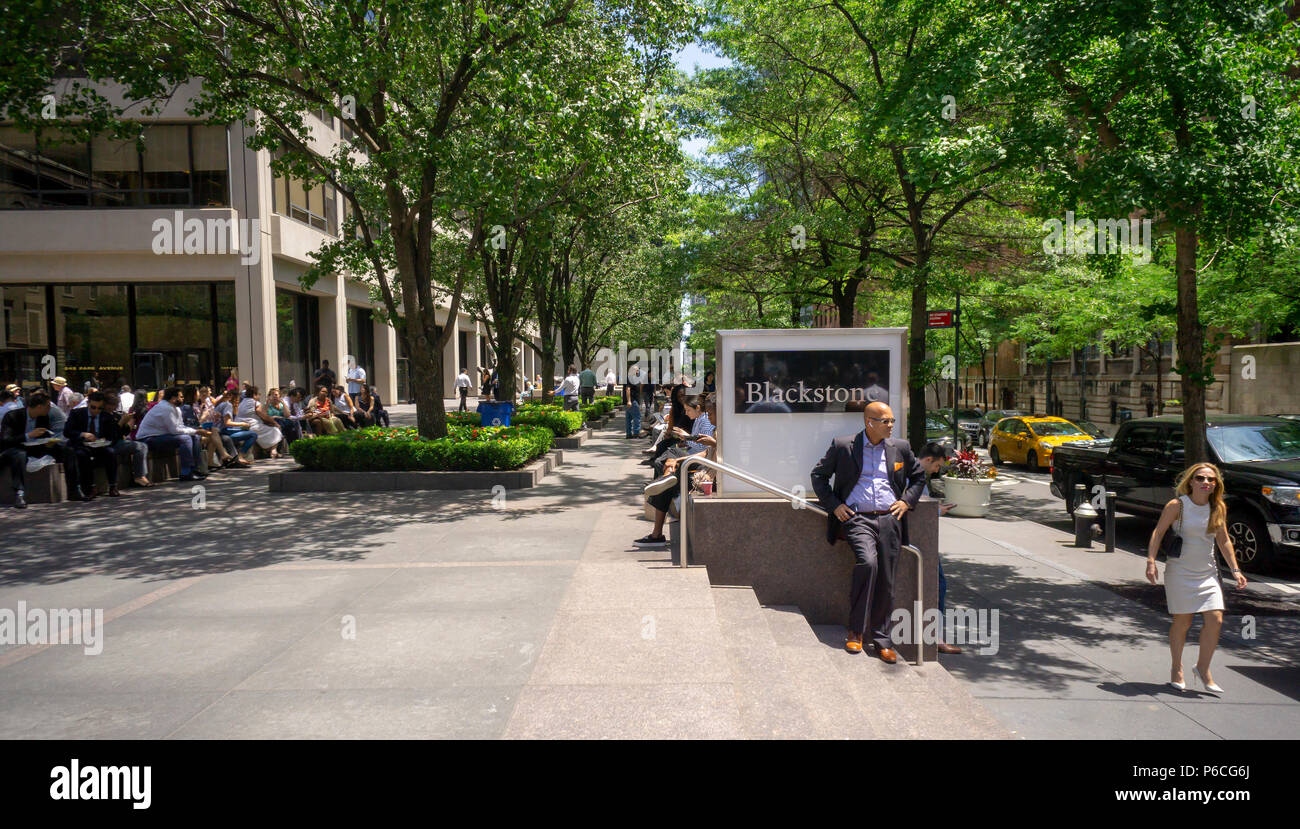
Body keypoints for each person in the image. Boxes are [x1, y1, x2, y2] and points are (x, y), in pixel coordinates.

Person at [810, 401, 925, 663]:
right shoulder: (843, 446)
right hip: (857, 518)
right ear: (869, 422)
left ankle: (882, 640)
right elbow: (818, 476)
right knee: (867, 563)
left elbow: (919, 478)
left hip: (889, 518)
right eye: (886, 421)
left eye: (892, 420)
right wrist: (835, 506)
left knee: (886, 576)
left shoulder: (901, 448)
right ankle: (856, 631)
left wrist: (906, 501)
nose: (891, 425)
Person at [1146, 463, 1248, 695]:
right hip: (1180, 571)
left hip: (1207, 573)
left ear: (1216, 485)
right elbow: (1159, 532)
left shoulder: (1217, 507)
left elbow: (1223, 540)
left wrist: (1236, 570)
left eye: (1211, 480)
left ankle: (1203, 668)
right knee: (1183, 622)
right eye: (1200, 478)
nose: (1205, 482)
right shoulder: (1177, 505)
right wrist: (1151, 561)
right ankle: (1176, 668)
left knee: (1216, 619)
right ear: (1191, 481)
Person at [635, 395, 715, 547]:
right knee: (667, 455)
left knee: (668, 464)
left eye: (711, 413)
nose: (709, 417)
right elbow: (705, 449)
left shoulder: (711, 426)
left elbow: (705, 451)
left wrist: (685, 445)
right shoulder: (708, 424)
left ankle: (657, 533)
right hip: (699, 459)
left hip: (704, 467)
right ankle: (666, 478)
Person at [1, 389, 82, 506]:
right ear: (39, 406)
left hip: (37, 446)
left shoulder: (43, 417)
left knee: (67, 451)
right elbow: (6, 440)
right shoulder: (12, 416)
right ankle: (19, 494)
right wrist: (28, 435)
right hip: (16, 448)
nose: (50, 408)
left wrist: (49, 442)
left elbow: (45, 434)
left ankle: (74, 489)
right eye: (48, 406)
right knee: (20, 455)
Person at [917, 442, 961, 654]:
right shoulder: (914, 476)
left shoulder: (909, 473)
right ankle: (935, 637)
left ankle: (934, 636)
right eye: (936, 467)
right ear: (928, 460)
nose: (936, 471)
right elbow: (915, 508)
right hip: (918, 539)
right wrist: (937, 511)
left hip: (918, 538)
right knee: (938, 584)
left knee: (936, 584)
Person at [133, 386, 210, 482]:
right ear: (173, 398)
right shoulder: (165, 408)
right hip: (148, 439)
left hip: (161, 435)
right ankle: (186, 472)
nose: (183, 399)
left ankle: (195, 469)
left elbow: (180, 426)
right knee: (185, 439)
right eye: (181, 397)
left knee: (195, 437)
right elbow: (174, 430)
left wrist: (195, 432)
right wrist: (196, 431)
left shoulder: (175, 408)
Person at [64, 391, 122, 497]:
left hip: (100, 446)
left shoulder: (106, 417)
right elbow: (67, 431)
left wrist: (105, 440)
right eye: (93, 407)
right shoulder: (77, 414)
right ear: (88, 404)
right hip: (82, 445)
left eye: (99, 408)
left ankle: (113, 486)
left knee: (111, 452)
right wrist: (82, 434)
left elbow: (113, 436)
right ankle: (90, 486)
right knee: (82, 455)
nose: (96, 411)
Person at [102, 390, 152, 487]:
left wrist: (128, 424)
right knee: (140, 447)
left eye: (115, 405)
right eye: (111, 405)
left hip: (119, 441)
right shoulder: (103, 416)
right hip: (111, 443)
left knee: (142, 446)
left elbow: (123, 432)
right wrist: (121, 422)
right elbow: (110, 434)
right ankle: (139, 476)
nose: (113, 407)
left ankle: (141, 475)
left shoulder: (115, 415)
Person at [238, 385, 285, 458]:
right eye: (258, 394)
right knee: (276, 429)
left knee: (269, 429)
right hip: (252, 426)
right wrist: (274, 423)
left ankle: (269, 451)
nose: (259, 396)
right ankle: (273, 451)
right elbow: (263, 415)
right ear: (254, 395)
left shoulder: (241, 403)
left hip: (240, 425)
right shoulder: (256, 403)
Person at [214, 388, 258, 458]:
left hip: (220, 431)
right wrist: (243, 424)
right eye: (237, 400)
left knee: (245, 431)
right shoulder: (228, 405)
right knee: (253, 435)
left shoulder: (221, 404)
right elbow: (227, 423)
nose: (237, 402)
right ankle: (241, 455)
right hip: (222, 432)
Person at [624, 367, 642, 439]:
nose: (638, 371)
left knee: (628, 418)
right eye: (637, 370)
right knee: (637, 417)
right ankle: (636, 433)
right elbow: (628, 389)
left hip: (632, 401)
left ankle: (628, 434)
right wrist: (629, 401)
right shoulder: (630, 378)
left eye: (638, 370)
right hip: (632, 401)